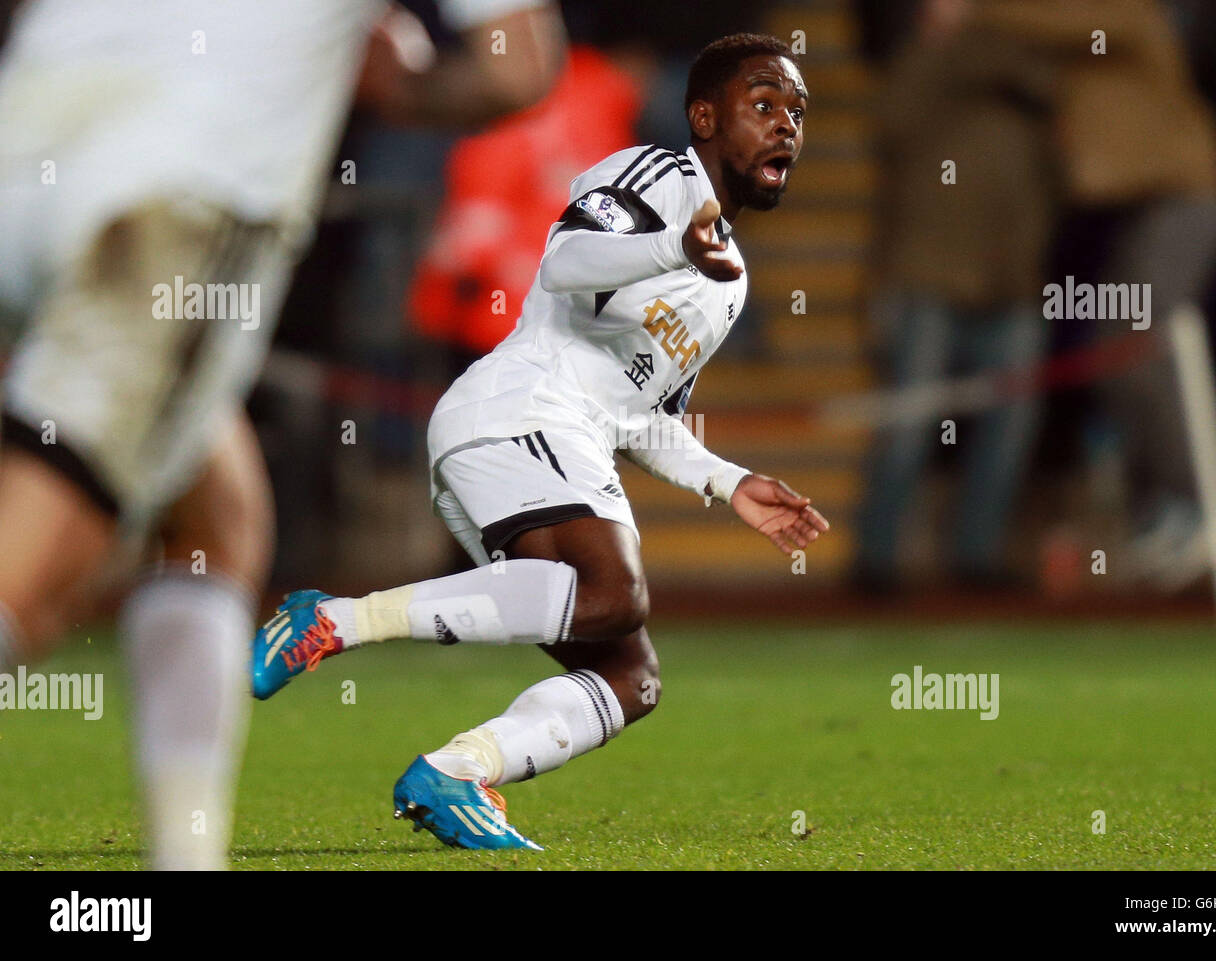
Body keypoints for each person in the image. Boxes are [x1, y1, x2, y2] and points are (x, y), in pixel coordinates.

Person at [0, 0, 564, 870]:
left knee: (214, 523)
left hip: (24, 154)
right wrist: (406, 88)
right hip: (168, 195)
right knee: (27, 588)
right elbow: (515, 65)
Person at [250, 33, 828, 850]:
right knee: (614, 592)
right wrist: (673, 245)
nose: (785, 126)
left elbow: (636, 411)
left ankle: (459, 769)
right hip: (519, 410)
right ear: (703, 116)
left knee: (630, 676)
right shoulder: (658, 176)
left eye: (797, 111)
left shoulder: (728, 283)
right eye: (764, 103)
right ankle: (337, 620)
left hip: (554, 440)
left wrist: (727, 481)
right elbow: (562, 264)